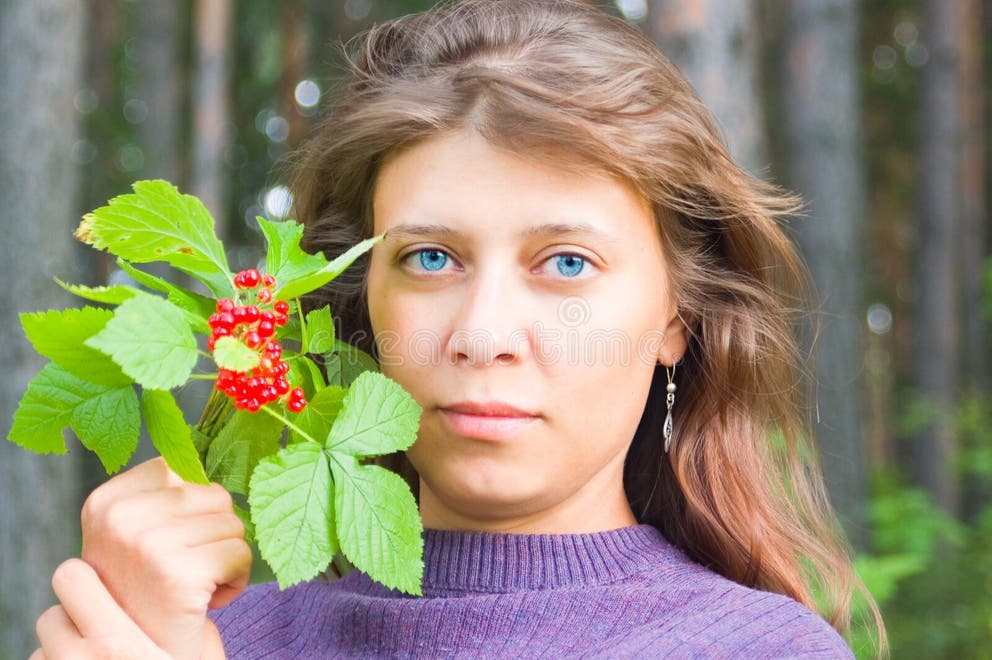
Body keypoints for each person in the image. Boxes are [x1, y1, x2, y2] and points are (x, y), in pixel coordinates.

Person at [32, 0, 886, 657]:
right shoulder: (207, 631)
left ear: (679, 317)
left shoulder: (757, 650)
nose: (484, 336)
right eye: (432, 259)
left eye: (566, 264)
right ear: (360, 299)